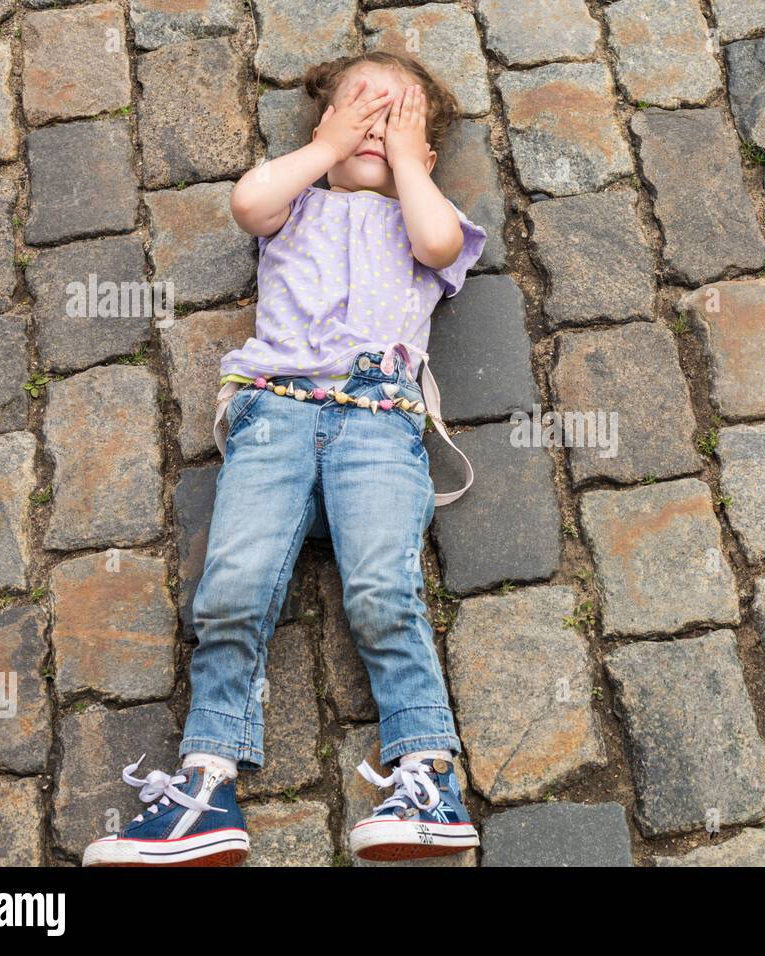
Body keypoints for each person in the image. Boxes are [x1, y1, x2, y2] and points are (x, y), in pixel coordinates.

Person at [82, 50, 487, 866]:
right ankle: (206, 787)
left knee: (382, 587)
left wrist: (408, 166)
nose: (375, 129)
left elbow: (440, 244)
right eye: (359, 113)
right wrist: (327, 149)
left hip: (378, 419)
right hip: (275, 413)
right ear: (324, 127)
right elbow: (249, 201)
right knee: (228, 590)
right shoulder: (297, 201)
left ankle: (428, 777)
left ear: (427, 153)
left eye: (396, 119)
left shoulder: (422, 212)